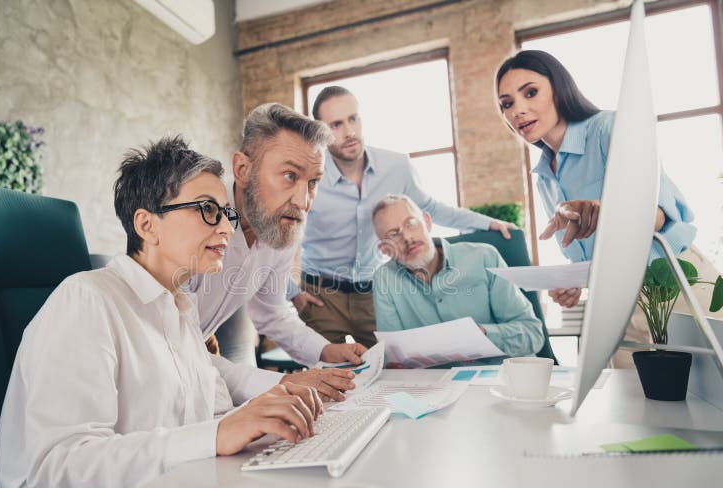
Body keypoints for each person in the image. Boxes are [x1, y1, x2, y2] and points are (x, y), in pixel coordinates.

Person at [0, 137, 354, 488]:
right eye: (207, 210)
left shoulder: (181, 310)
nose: (225, 228)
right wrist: (219, 434)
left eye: (226, 215)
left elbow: (212, 414)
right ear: (147, 224)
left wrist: (275, 417)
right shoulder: (86, 299)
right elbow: (55, 469)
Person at [495, 49, 721, 366]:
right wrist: (574, 283)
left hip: (676, 285)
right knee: (635, 410)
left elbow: (657, 217)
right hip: (618, 306)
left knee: (713, 401)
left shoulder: (608, 129)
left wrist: (604, 208)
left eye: (530, 92)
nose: (518, 110)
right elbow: (589, 257)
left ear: (558, 89)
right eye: (507, 104)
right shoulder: (545, 176)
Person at [288, 86, 518, 348]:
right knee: (328, 377)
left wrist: (488, 223)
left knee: (392, 366)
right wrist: (292, 292)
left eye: (353, 119)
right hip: (321, 295)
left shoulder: (396, 166)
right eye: (336, 125)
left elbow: (432, 207)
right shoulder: (311, 177)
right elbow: (284, 236)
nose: (349, 132)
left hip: (373, 293)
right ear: (322, 132)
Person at [187, 103, 367, 374]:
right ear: (243, 169)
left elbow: (272, 312)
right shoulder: (192, 220)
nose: (303, 201)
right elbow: (172, 343)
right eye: (289, 176)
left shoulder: (280, 226)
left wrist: (324, 351)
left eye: (313, 182)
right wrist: (278, 387)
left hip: (196, 359)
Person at [371, 194, 544, 364]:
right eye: (393, 234)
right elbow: (391, 356)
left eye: (411, 223)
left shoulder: (484, 257)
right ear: (385, 249)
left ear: (427, 222)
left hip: (499, 380)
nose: (407, 238)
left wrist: (483, 334)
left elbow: (533, 335)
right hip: (435, 387)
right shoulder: (385, 279)